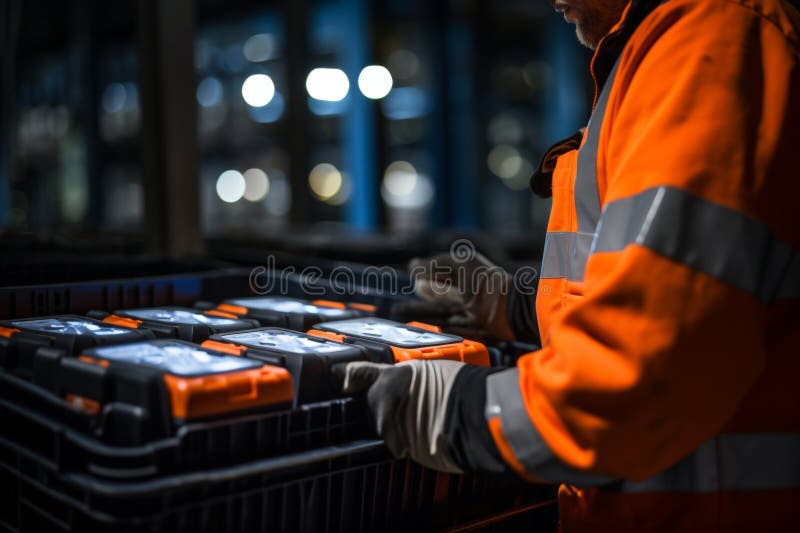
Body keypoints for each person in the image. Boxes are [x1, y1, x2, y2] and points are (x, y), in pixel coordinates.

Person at [337, 0, 800, 530]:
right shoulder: (653, 53)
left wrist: (458, 411)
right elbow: (678, 284)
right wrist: (515, 305)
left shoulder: (709, 39)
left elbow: (640, 375)